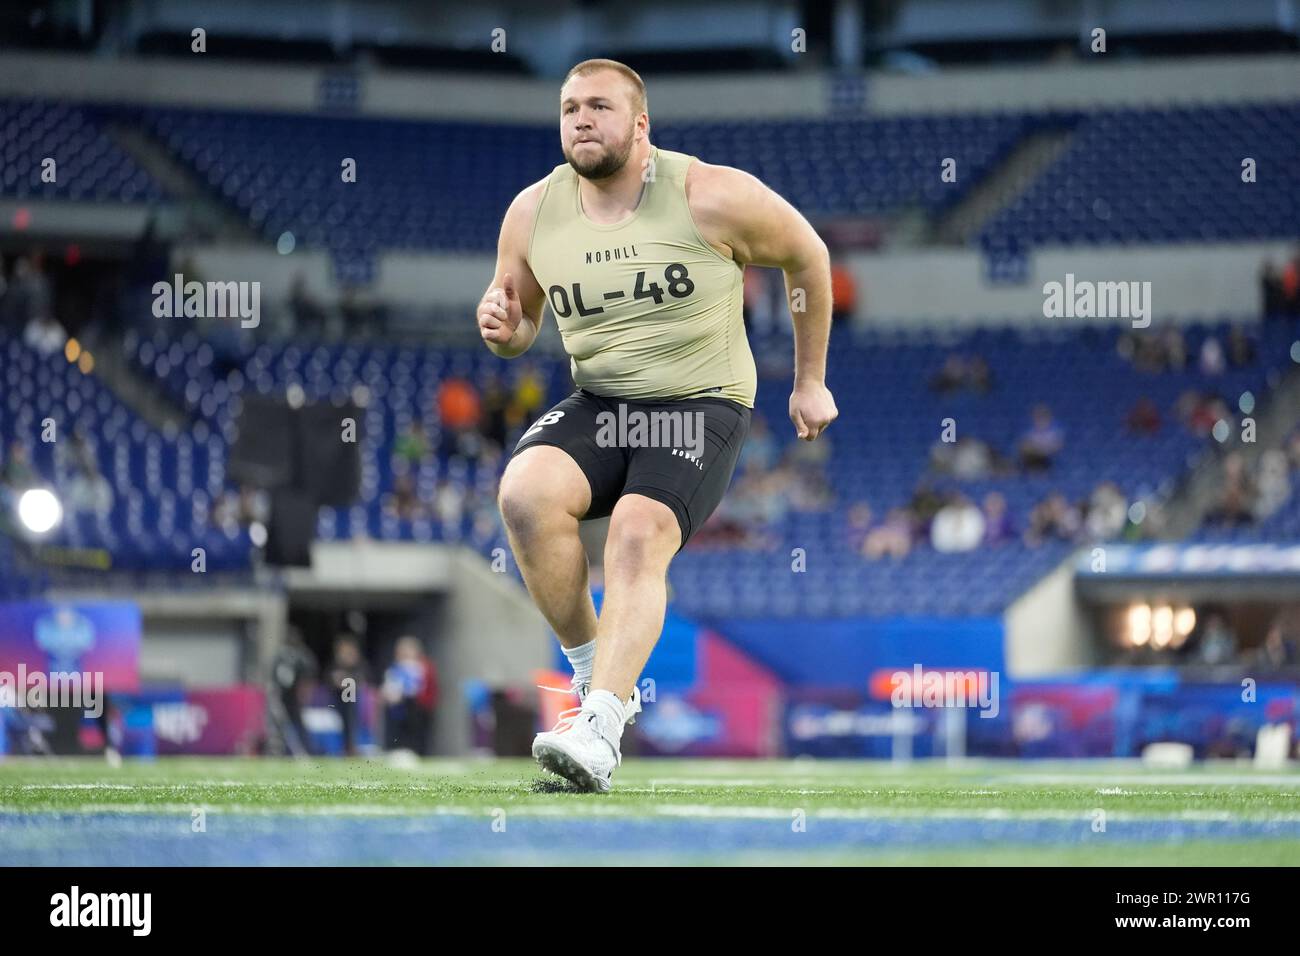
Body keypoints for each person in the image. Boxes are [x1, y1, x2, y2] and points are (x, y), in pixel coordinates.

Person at [477, 59, 837, 791]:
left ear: (641, 125)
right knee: (523, 493)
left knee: (636, 534)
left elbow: (809, 256)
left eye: (600, 107)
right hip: (602, 402)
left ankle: (602, 728)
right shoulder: (532, 210)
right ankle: (595, 688)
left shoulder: (711, 193)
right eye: (570, 107)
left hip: (698, 404)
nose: (581, 119)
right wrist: (503, 329)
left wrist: (809, 380)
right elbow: (518, 322)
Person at [382, 636, 438, 755]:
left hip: (418, 706)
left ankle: (418, 753)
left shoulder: (424, 666)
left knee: (418, 734)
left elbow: (424, 687)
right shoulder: (395, 667)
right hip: (398, 706)